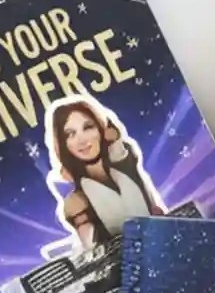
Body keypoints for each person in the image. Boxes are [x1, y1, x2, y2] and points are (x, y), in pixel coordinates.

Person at [46, 96, 164, 250]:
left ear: (101, 129)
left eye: (88, 127)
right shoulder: (76, 201)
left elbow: (120, 153)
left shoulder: (125, 163)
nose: (82, 140)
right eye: (70, 134)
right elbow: (93, 250)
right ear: (64, 144)